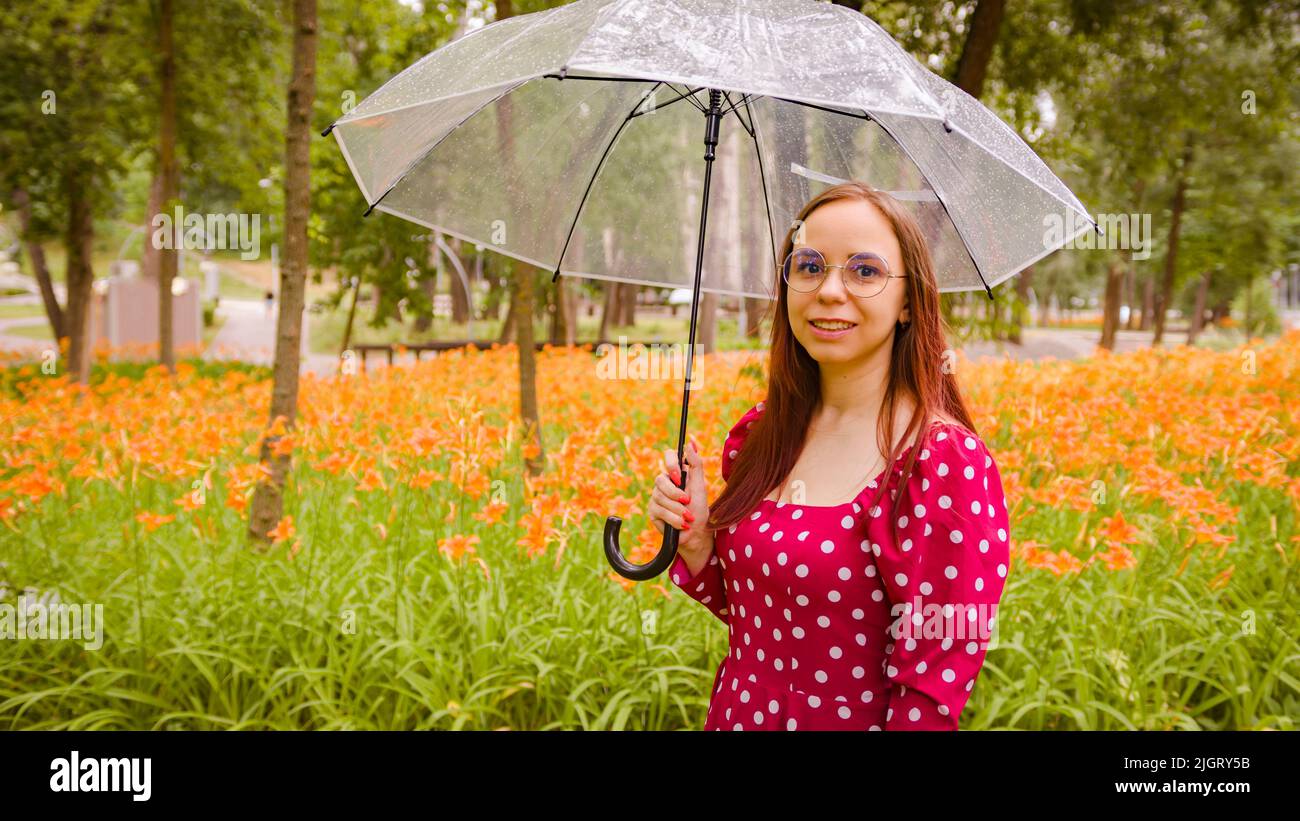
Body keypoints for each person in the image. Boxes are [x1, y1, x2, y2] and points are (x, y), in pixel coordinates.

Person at [649, 181, 1011, 731]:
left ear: (910, 301)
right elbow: (769, 613)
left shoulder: (940, 463)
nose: (829, 291)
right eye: (810, 266)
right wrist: (698, 541)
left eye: (864, 271)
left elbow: (931, 690)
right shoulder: (763, 433)